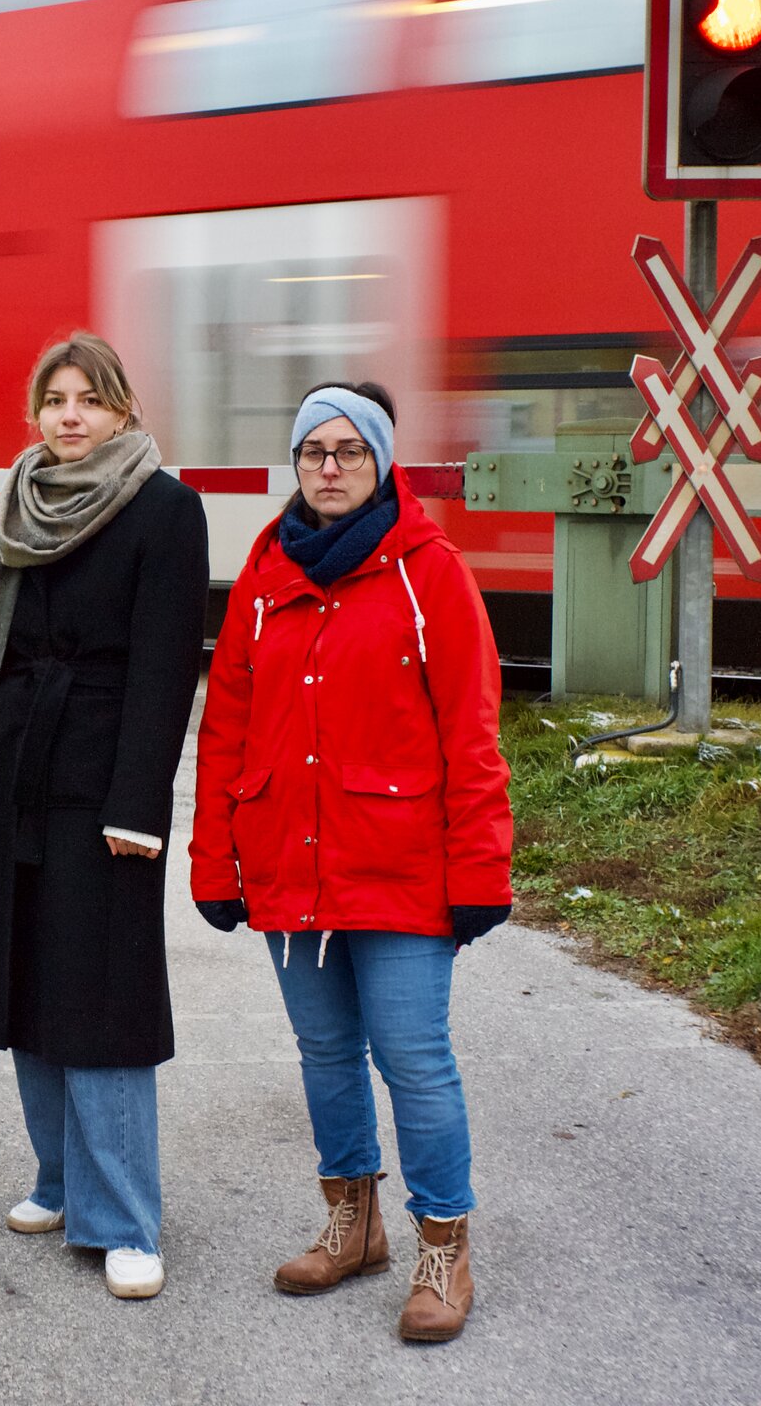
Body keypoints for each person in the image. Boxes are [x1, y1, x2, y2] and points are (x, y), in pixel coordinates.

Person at [188, 381, 513, 1344]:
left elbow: (473, 732)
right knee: (326, 1054)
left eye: (349, 451)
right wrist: (215, 863)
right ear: (294, 467)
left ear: (380, 463)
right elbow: (227, 732)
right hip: (291, 864)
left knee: (414, 1059)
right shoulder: (262, 577)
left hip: (403, 866)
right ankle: (353, 1223)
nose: (329, 468)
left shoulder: (430, 573)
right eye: (312, 452)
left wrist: (480, 873)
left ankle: (443, 1245)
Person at [0, 332, 207, 1301]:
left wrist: (138, 805)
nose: (70, 416)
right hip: (18, 773)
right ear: (35, 413)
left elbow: (165, 667)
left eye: (90, 399)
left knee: (104, 1000)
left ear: (123, 409)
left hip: (102, 786)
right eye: (54, 400)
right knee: (25, 983)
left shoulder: (164, 510)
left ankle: (122, 1218)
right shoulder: (21, 502)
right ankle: (54, 1179)